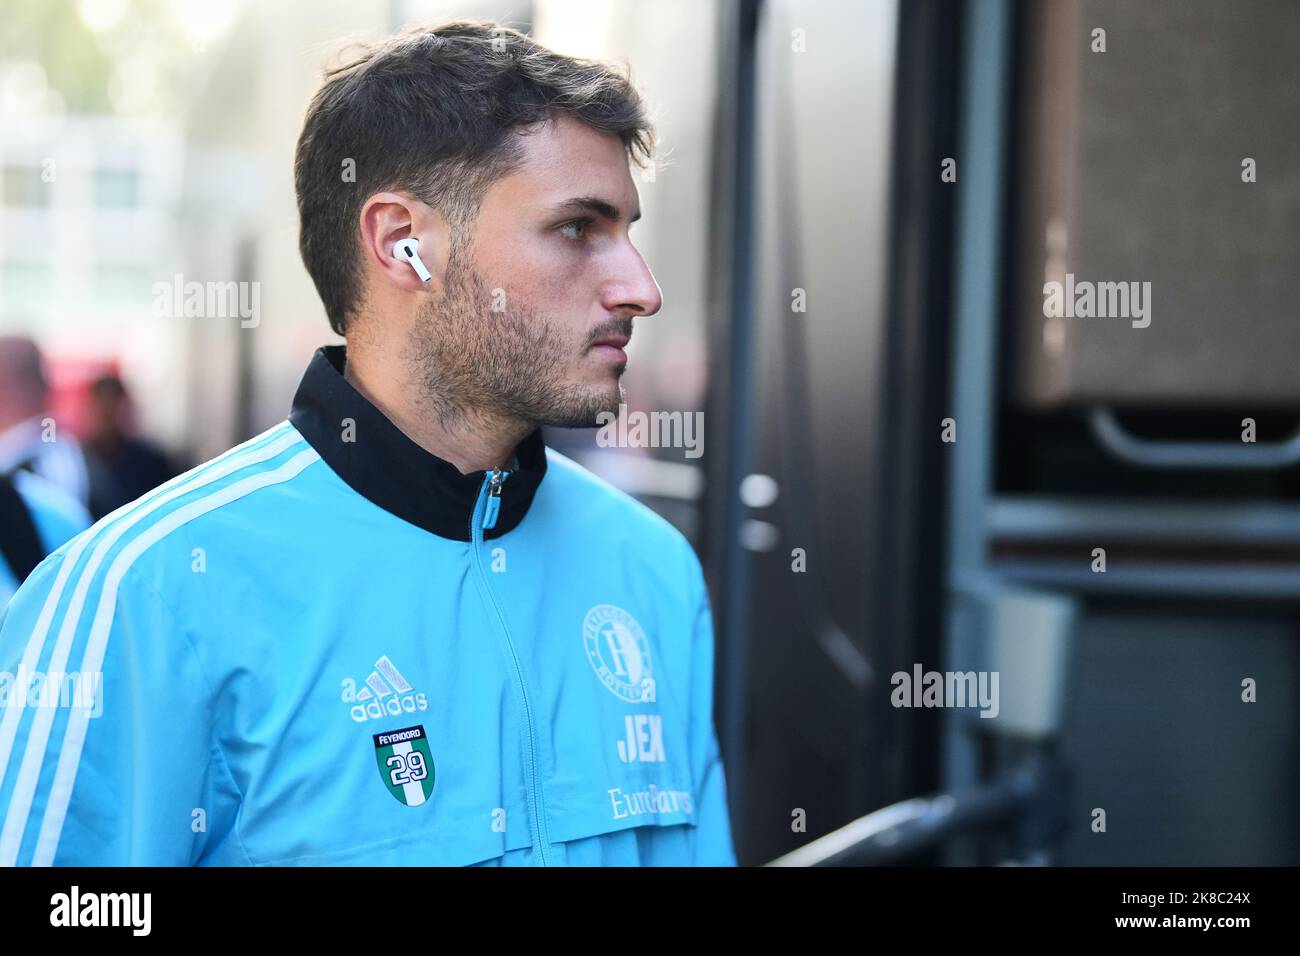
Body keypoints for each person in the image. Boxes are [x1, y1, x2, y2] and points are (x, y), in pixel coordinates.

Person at [0, 20, 736, 866]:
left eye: (628, 231)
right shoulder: (143, 595)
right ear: (402, 244)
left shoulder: (651, 568)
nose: (641, 288)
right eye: (578, 228)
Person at [81, 372, 178, 519]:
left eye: (112, 407)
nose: (107, 416)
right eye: (102, 407)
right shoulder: (76, 460)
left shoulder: (151, 462)